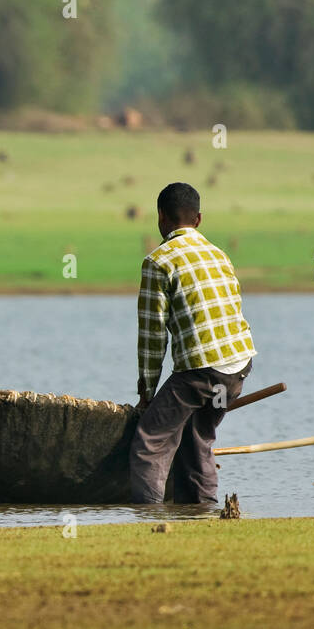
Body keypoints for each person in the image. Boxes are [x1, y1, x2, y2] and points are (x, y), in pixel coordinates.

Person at [131, 182, 256, 504]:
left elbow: (152, 336)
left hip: (200, 373)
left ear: (161, 218)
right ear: (198, 220)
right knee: (195, 440)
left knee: (150, 442)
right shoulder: (219, 255)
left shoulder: (158, 261)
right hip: (237, 370)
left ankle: (149, 518)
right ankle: (200, 513)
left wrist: (147, 392)